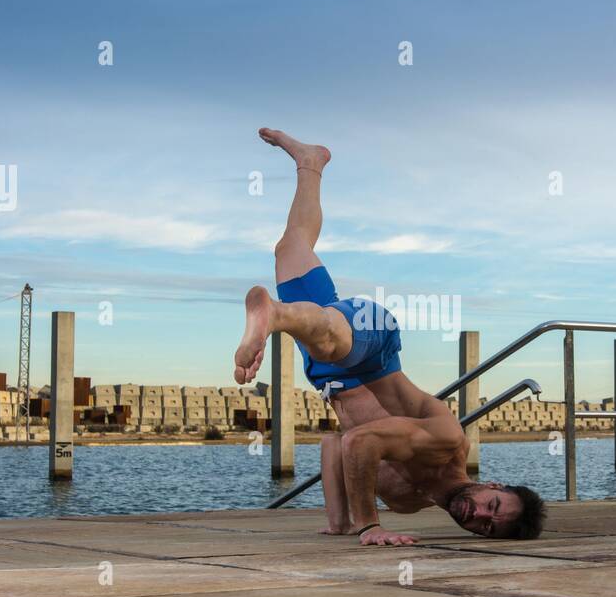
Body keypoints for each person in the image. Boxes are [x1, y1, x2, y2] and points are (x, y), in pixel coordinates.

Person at [234, 128, 546, 546]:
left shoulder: (407, 502)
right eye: (493, 505)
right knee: (329, 338)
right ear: (494, 483)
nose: (479, 516)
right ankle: (275, 314)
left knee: (290, 246)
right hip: (374, 348)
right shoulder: (445, 442)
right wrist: (369, 525)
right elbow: (362, 439)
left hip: (331, 377)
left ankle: (311, 163)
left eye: (487, 527)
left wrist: (341, 519)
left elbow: (338, 443)